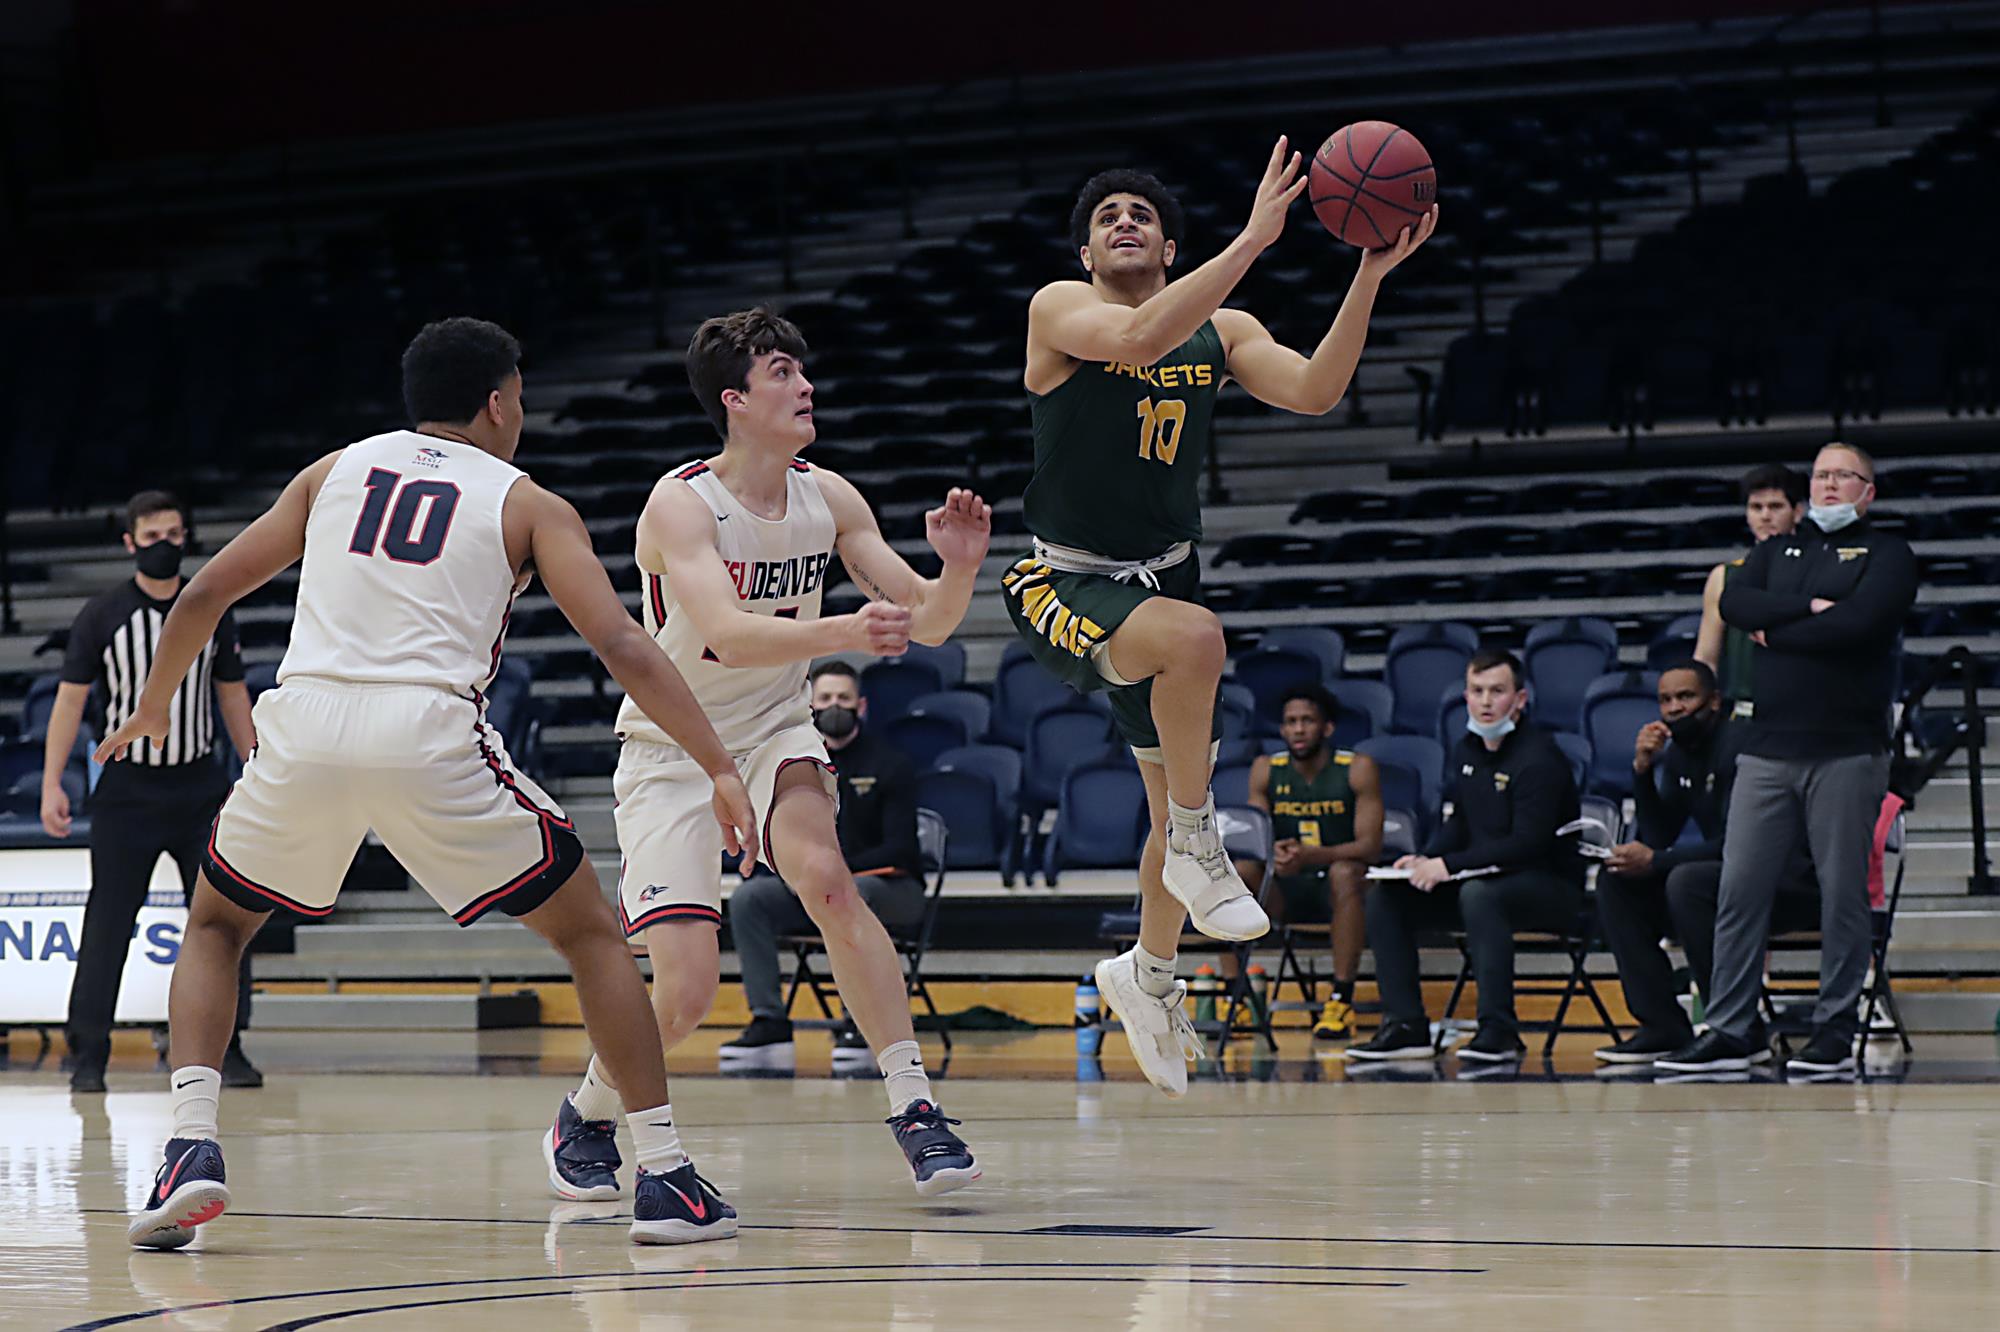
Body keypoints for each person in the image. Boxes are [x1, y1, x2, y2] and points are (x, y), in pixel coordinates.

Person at [99, 317, 759, 1250]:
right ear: (497, 402)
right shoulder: (528, 502)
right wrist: (720, 763)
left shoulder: (331, 472)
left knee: (215, 925)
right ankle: (664, 1176)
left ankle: (190, 1150)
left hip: (308, 726)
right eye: (519, 396)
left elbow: (205, 593)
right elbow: (621, 643)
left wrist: (157, 705)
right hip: (426, 730)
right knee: (591, 938)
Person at [1003, 147, 1436, 1097]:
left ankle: (1148, 975)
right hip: (1064, 581)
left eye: (1143, 214)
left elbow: (1317, 390)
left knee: (1165, 799)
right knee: (1197, 637)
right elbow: (1139, 342)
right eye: (1108, 214)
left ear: (1168, 244)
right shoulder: (1059, 310)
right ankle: (1205, 841)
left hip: (1158, 574)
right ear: (1084, 252)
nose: (1126, 221)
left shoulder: (1224, 328)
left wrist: (1367, 274)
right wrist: (1255, 236)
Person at [542, 308, 987, 1204]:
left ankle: (913, 1104)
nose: (807, 385)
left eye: (804, 372)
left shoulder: (833, 497)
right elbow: (728, 635)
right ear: (736, 401)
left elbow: (925, 624)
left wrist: (961, 570)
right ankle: (586, 1112)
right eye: (784, 372)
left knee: (827, 877)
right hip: (674, 746)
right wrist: (845, 633)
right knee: (686, 996)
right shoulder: (681, 502)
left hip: (777, 731)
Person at [1659, 443, 1918, 1078]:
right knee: (1739, 886)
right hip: (1767, 750)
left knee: (1841, 894)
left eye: (1843, 476)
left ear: (1867, 491)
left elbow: (1862, 626)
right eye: (1822, 475)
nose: (1830, 484)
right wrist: (1811, 610)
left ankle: (1833, 1028)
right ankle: (1730, 1027)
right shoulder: (1775, 552)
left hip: (1846, 749)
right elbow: (1738, 606)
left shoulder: (1888, 555)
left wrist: (1785, 628)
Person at [41, 491, 261, 1094]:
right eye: (152, 535)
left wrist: (257, 767)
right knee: (108, 922)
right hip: (127, 792)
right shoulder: (103, 614)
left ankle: (229, 1049)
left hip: (199, 788)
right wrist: (53, 781)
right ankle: (88, 1054)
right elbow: (70, 701)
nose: (164, 544)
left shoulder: (212, 605)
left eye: (173, 533)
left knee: (224, 921)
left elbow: (233, 694)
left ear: (185, 536)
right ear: (129, 543)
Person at [1345, 649, 1583, 1065]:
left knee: (1480, 894)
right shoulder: (1467, 749)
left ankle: (1499, 1031)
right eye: (1477, 691)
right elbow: (1458, 826)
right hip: (1483, 881)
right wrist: (1425, 859)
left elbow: (1528, 843)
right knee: (1388, 896)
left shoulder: (1540, 758)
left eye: (1497, 691)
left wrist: (1449, 866)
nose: (1487, 701)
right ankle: (1405, 1027)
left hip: (1549, 888)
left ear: (1520, 699)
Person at [1592, 661, 1818, 1065]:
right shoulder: (1680, 753)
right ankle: (1662, 1026)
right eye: (1665, 700)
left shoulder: (1742, 745)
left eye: (1685, 697)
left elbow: (1743, 845)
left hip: (1788, 884)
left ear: (1714, 701)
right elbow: (1659, 834)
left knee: (1689, 881)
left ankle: (1736, 1028)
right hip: (1730, 882)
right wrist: (1643, 772)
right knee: (1617, 883)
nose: (1675, 708)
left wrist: (1657, 859)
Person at [716, 659, 926, 1068]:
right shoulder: (796, 766)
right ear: (809, 706)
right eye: (825, 698)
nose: (834, 705)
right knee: (750, 899)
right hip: (816, 886)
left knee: (850, 894)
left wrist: (834, 873)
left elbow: (900, 848)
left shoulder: (891, 764)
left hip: (890, 889)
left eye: (843, 698)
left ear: (861, 706)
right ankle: (769, 1021)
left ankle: (861, 1025)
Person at [1237, 686, 1382, 1041]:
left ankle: (1340, 1000)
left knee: (1344, 872)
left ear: (1327, 728)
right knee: (1239, 872)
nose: (1298, 729)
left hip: (1338, 888)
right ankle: (1238, 997)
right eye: (1290, 722)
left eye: (1307, 721)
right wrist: (1276, 857)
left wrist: (1314, 855)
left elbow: (1370, 846)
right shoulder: (1266, 769)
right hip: (1286, 888)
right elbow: (1256, 839)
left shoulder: (1357, 768)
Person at [1695, 463, 1806, 720]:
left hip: (1803, 713)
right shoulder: (1725, 576)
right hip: (1744, 714)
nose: (1765, 516)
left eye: (1775, 507)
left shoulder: (1818, 571)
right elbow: (1705, 659)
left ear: (1797, 512)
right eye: (1757, 507)